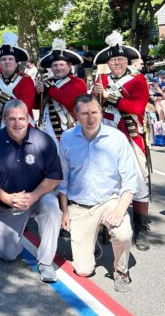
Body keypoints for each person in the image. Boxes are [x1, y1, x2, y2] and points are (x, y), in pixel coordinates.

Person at [58, 94, 138, 294]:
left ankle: (121, 272)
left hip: (109, 200)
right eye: (84, 113)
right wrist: (65, 212)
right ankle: (91, 241)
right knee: (83, 271)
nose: (90, 118)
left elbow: (130, 182)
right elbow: (63, 179)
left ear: (101, 113)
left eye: (94, 112)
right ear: (76, 115)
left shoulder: (117, 138)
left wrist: (120, 211)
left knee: (123, 233)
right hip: (79, 205)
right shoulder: (67, 138)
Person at [0, 99, 62, 282]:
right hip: (8, 202)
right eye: (12, 119)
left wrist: (33, 196)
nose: (17, 123)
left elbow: (55, 176)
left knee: (52, 204)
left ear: (28, 118)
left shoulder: (44, 140)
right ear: (5, 120)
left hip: (37, 197)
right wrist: (7, 198)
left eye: (22, 118)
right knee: (7, 256)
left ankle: (46, 262)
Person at [92, 31, 152, 251]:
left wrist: (110, 97)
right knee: (104, 180)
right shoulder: (102, 79)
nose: (116, 63)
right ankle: (105, 224)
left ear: (127, 61)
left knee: (138, 181)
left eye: (120, 60)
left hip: (130, 136)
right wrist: (97, 96)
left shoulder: (138, 80)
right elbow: (93, 107)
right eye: (113, 60)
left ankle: (141, 228)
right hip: (105, 136)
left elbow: (137, 108)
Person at [35, 39, 87, 147]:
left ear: (69, 66)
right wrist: (38, 92)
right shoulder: (47, 82)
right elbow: (36, 106)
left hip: (68, 129)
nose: (58, 68)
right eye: (55, 65)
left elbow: (66, 100)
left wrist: (48, 88)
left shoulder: (78, 82)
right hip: (46, 127)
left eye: (61, 64)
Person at [0, 32, 35, 131]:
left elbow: (25, 106)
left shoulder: (25, 81)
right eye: (3, 59)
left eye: (11, 59)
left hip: (20, 128)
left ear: (16, 63)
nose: (7, 62)